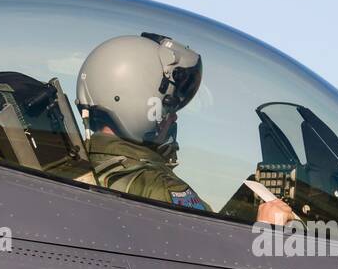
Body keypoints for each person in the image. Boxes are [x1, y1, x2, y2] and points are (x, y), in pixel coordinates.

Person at [77, 33, 294, 223]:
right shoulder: (161, 189)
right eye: (168, 107)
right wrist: (268, 229)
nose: (173, 117)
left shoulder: (76, 167)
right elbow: (214, 262)